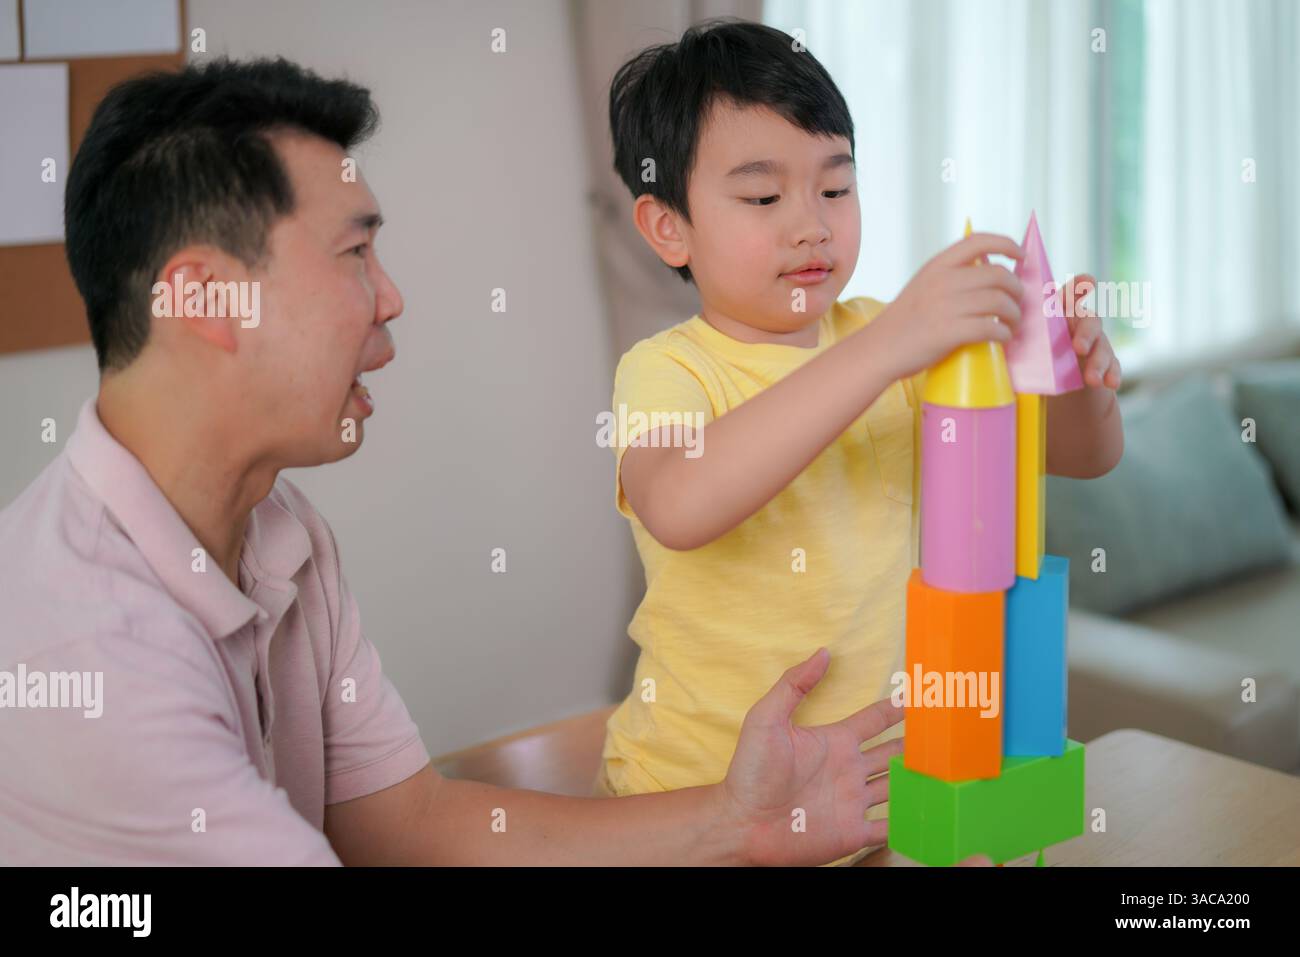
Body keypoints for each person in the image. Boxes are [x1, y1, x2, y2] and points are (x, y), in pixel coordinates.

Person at [0, 56, 911, 867]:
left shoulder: (280, 531)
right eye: (356, 251)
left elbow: (408, 824)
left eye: (834, 187)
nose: (392, 296)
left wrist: (736, 822)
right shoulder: (89, 657)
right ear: (207, 295)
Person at [594, 21, 1124, 866]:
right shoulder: (666, 370)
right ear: (668, 228)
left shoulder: (895, 337)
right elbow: (680, 502)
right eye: (765, 199)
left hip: (869, 798)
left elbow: (1077, 455)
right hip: (701, 809)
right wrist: (883, 349)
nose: (812, 225)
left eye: (836, 190)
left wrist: (1076, 378)